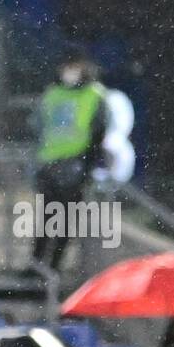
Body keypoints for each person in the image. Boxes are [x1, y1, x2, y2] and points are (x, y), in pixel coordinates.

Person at [31, 51, 109, 273]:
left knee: (65, 220)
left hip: (76, 165)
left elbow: (98, 132)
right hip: (50, 164)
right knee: (46, 219)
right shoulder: (53, 93)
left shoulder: (94, 95)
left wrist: (88, 165)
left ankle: (54, 265)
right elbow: (39, 127)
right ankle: (37, 264)